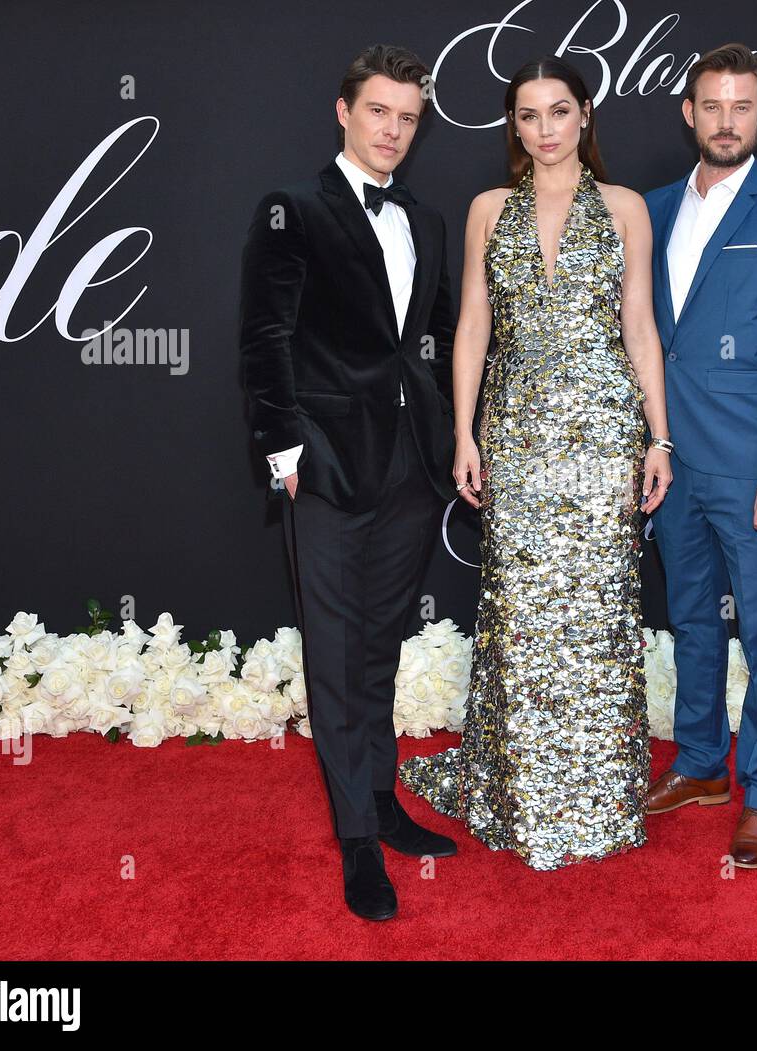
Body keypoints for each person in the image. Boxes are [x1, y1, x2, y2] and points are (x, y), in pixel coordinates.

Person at [398, 57, 673, 870]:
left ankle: (598, 797)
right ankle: (517, 792)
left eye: (559, 111)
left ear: (585, 116)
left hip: (603, 436)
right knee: (521, 616)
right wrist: (464, 434)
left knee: (596, 615)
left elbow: (641, 329)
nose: (545, 128)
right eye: (528, 115)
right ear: (512, 126)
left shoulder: (624, 208)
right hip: (515, 433)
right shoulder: (490, 210)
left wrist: (660, 438)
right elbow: (473, 327)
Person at [238, 44, 460, 922]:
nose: (394, 132)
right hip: (326, 466)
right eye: (380, 113)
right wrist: (282, 453)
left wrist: (451, 434)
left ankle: (379, 799)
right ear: (344, 110)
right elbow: (264, 339)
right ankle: (357, 846)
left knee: (380, 646)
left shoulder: (428, 222)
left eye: (408, 118)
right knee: (333, 656)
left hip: (411, 464)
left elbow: (436, 341)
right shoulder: (293, 211)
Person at [644, 44, 757, 868]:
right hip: (668, 464)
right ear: (689, 113)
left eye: (741, 107)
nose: (726, 122)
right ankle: (697, 764)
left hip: (753, 469)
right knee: (689, 620)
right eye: (711, 106)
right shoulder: (645, 210)